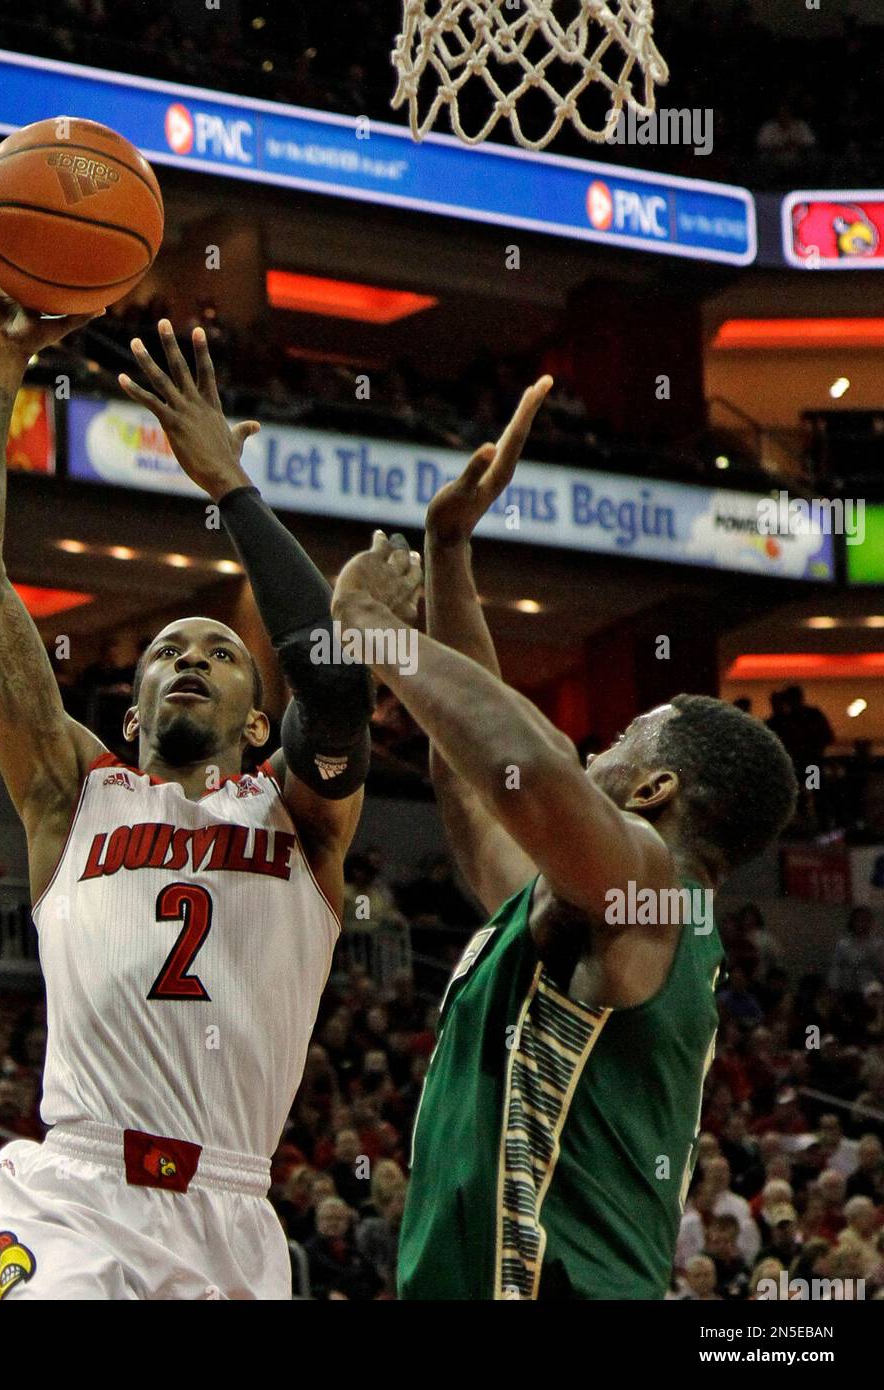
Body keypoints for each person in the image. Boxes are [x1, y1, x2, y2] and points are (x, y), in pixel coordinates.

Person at [0, 247, 373, 1300]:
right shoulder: (69, 792)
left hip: (231, 1210)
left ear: (259, 715)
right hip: (75, 1196)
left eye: (218, 651)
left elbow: (339, 686)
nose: (189, 657)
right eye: (166, 652)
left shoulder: (300, 816)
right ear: (127, 709)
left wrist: (229, 485)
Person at [330, 379, 799, 1300]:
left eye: (620, 742)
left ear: (658, 790)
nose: (596, 748)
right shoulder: (590, 906)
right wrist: (451, 552)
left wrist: (372, 628)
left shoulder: (649, 891)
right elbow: (478, 784)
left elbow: (532, 768)